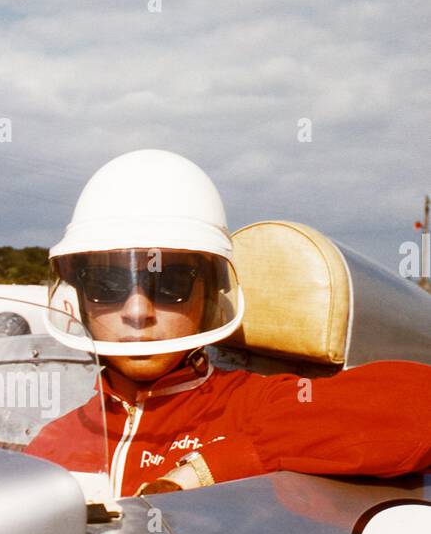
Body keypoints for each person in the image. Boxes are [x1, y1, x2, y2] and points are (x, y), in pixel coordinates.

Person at [27, 150, 431, 497]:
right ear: (78, 295)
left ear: (210, 292)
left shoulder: (256, 406)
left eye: (170, 283)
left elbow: (419, 404)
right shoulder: (53, 444)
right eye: (106, 283)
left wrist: (213, 465)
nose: (137, 311)